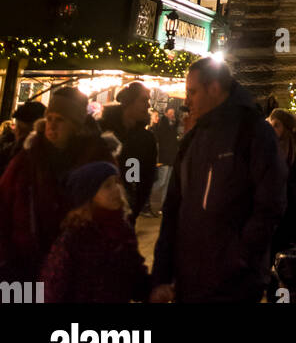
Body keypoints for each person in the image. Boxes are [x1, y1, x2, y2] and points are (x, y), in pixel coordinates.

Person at [150, 58, 286, 304]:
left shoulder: (253, 131)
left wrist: (239, 257)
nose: (187, 100)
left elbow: (270, 203)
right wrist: (161, 273)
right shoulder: (194, 138)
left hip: (234, 283)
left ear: (214, 88)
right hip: (190, 279)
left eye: (192, 92)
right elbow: (173, 209)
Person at [0, 87, 114, 281]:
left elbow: (113, 217)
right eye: (50, 118)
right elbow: (3, 205)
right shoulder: (26, 159)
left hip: (75, 271)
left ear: (76, 125)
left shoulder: (97, 162)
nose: (52, 126)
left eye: (60, 120)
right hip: (24, 267)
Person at [40, 162, 149, 304]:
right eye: (107, 186)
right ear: (89, 196)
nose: (117, 189)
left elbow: (134, 276)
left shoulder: (122, 230)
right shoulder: (74, 239)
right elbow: (52, 291)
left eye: (116, 182)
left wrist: (152, 291)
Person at [99, 82, 158, 222]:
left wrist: (132, 210)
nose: (148, 105)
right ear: (128, 103)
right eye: (144, 100)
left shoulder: (145, 139)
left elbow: (141, 180)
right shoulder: (102, 130)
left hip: (125, 215)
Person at [268, 109, 296, 257]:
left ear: (286, 128)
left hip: (290, 212)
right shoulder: (269, 149)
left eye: (276, 125)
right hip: (272, 213)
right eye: (271, 125)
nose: (272, 129)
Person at [0, 100, 45, 180]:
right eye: (18, 127)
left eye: (24, 130)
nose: (17, 132)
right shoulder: (9, 150)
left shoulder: (23, 155)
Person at [148, 107, 180, 216]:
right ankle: (147, 199)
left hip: (171, 158)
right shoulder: (163, 124)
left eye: (173, 113)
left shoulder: (172, 126)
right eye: (170, 113)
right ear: (165, 114)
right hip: (164, 158)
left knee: (166, 184)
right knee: (161, 182)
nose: (172, 115)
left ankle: (162, 206)